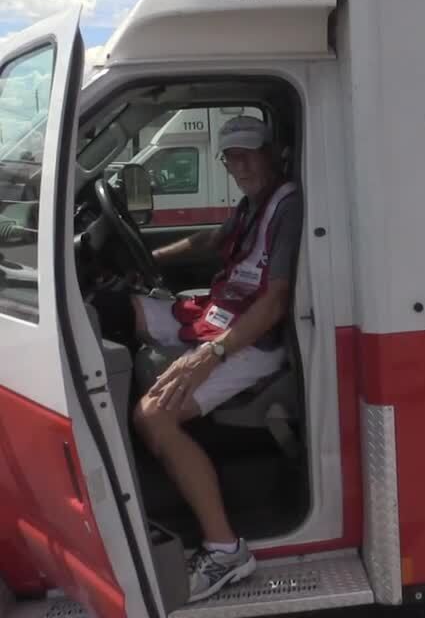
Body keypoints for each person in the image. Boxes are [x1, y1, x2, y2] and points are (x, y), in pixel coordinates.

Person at [129, 115, 302, 603]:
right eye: (231, 155)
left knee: (153, 416)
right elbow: (212, 241)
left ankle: (226, 550)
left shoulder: (287, 206)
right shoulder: (253, 204)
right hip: (226, 314)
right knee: (133, 309)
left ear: (272, 152)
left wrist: (208, 355)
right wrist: (151, 258)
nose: (240, 162)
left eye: (250, 151)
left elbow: (275, 301)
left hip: (256, 337)